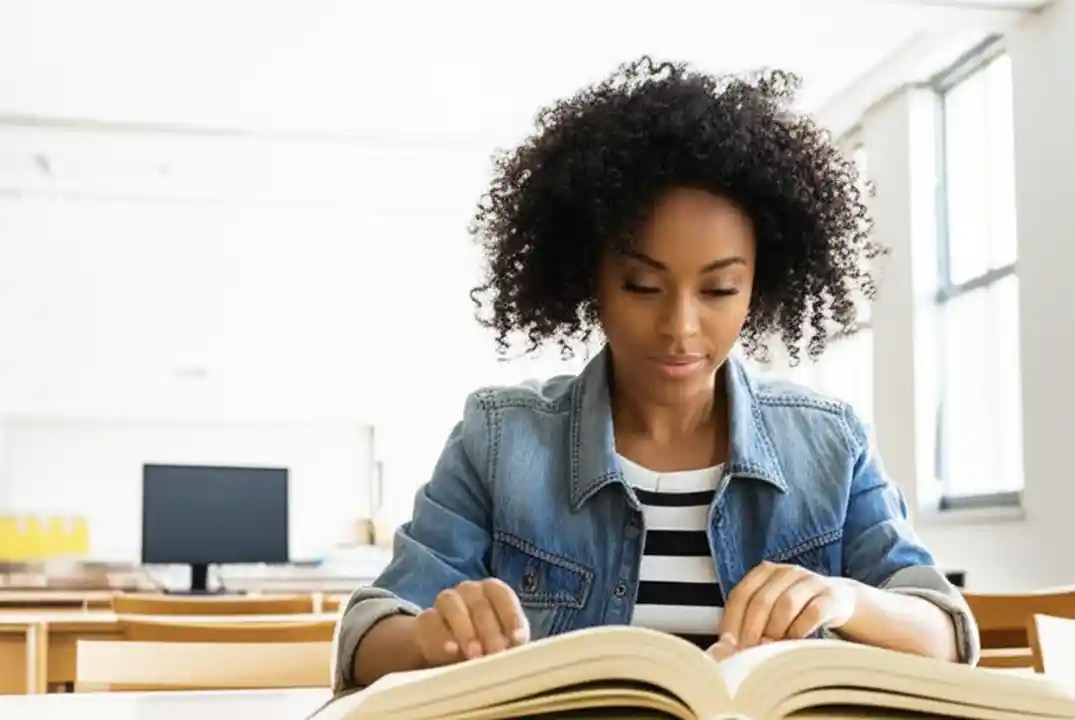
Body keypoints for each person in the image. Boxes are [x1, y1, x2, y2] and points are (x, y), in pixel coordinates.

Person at [335, 56, 978, 692]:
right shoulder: (500, 440)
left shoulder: (830, 443)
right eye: (642, 286)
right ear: (591, 279)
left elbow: (946, 636)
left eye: (720, 289)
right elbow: (367, 640)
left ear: (761, 283)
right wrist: (428, 637)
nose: (680, 327)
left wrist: (845, 601)